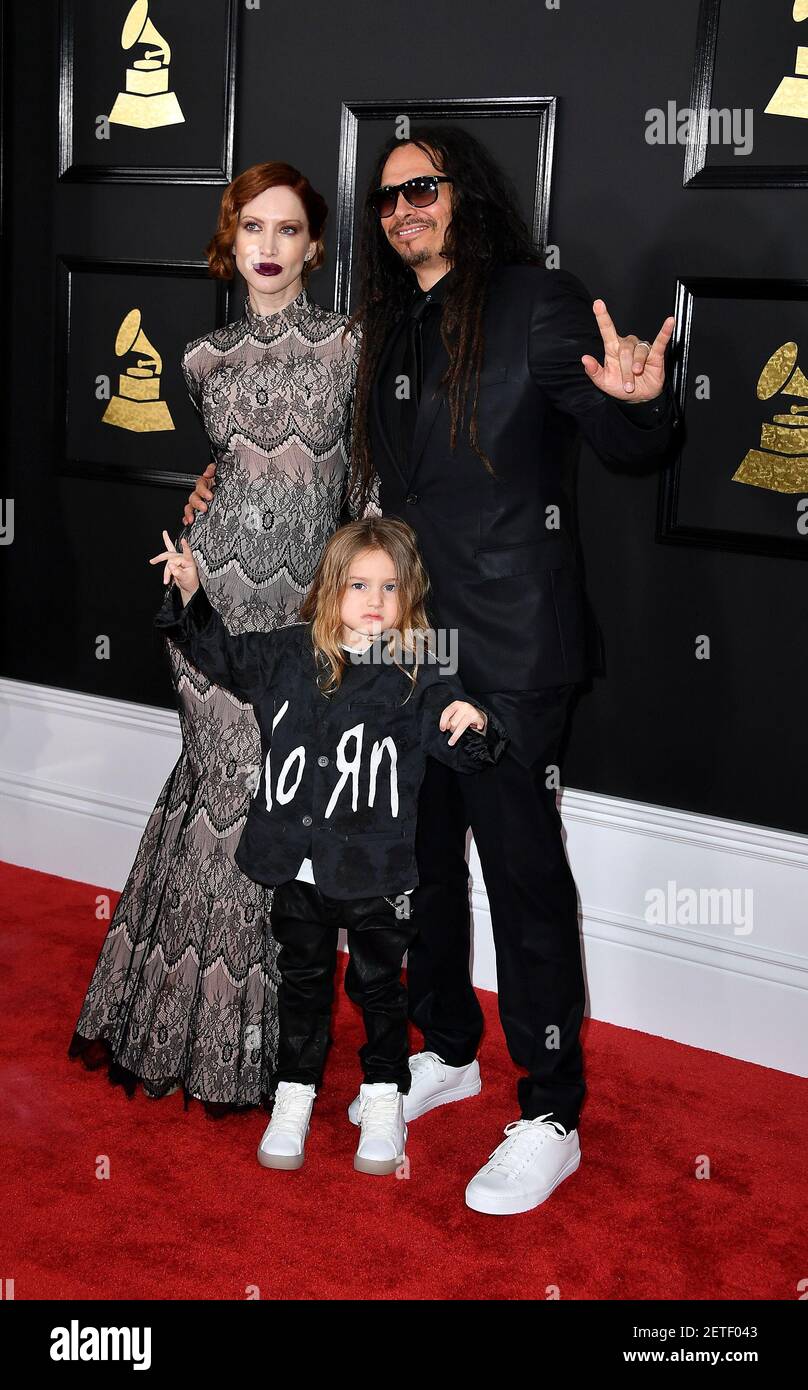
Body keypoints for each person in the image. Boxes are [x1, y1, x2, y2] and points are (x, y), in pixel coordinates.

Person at [185, 124, 681, 1213]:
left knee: (522, 877)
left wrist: (642, 404)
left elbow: (627, 443)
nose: (404, 206)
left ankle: (551, 1108)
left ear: (467, 196)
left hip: (510, 656)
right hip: (407, 656)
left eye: (425, 188)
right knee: (424, 866)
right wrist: (218, 483)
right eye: (389, 197)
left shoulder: (537, 307)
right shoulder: (386, 327)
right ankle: (447, 1045)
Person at [68, 161, 373, 1115]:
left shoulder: (351, 347)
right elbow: (230, 481)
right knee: (217, 788)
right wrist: (201, 525)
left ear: (314, 245)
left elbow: (359, 486)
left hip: (298, 616)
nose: (270, 247)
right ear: (230, 241)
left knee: (266, 804)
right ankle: (179, 1025)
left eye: (288, 230)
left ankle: (255, 1044)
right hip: (211, 599)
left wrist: (360, 602)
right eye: (253, 229)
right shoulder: (201, 361)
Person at [149, 516, 509, 1174]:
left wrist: (474, 721)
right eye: (358, 585)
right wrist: (193, 593)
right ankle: (296, 1092)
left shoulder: (418, 676)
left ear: (410, 598)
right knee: (303, 984)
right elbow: (223, 654)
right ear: (327, 590)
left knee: (379, 990)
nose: (374, 601)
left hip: (377, 870)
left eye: (390, 587)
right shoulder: (289, 653)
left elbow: (460, 738)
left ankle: (382, 1096)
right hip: (297, 864)